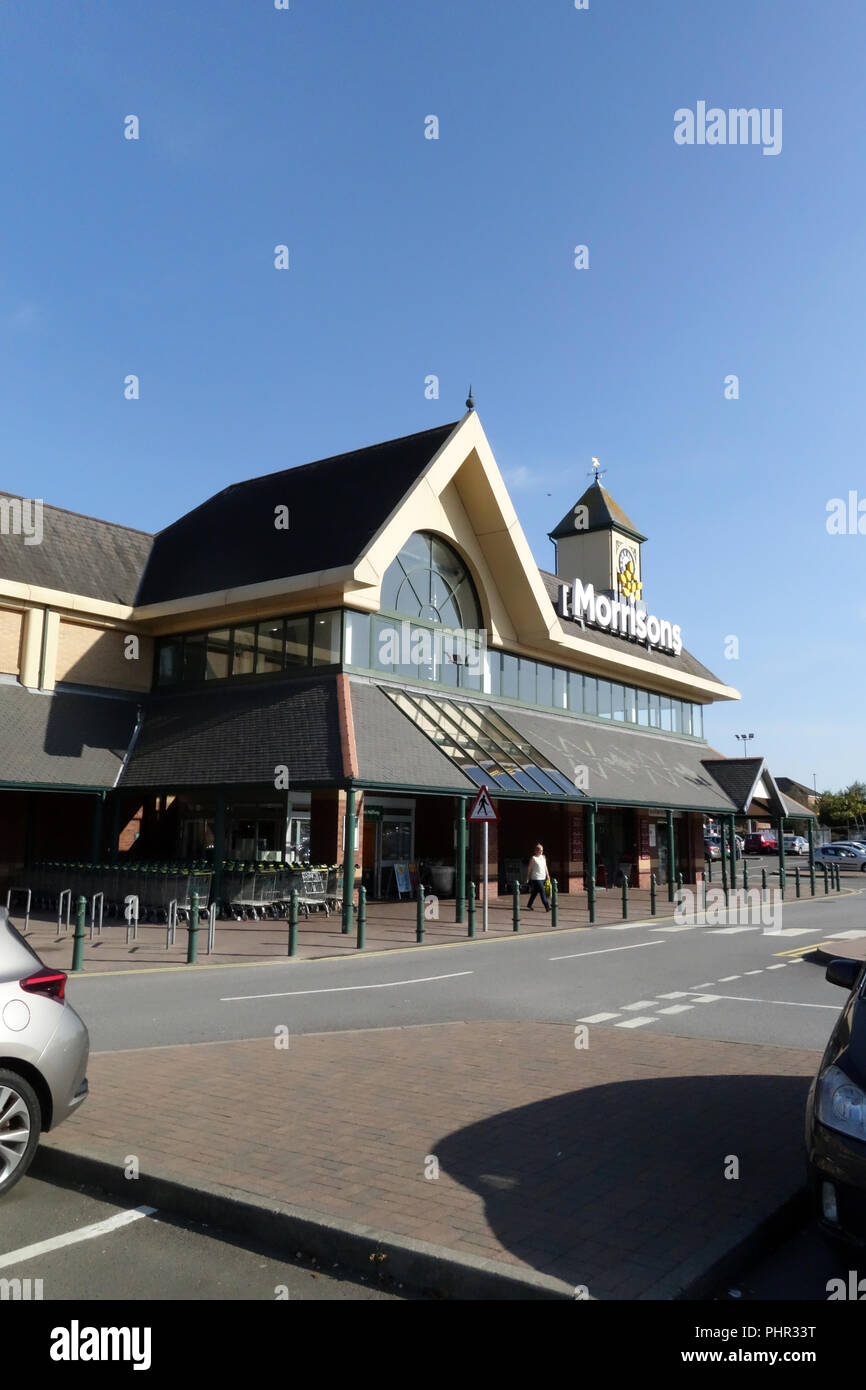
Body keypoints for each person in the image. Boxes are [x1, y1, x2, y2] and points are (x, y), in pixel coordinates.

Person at [526, 843, 550, 912]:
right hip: (536, 878)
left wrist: (548, 875)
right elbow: (529, 868)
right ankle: (547, 906)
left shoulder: (543, 857)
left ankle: (529, 905)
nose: (542, 852)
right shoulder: (533, 858)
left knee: (534, 892)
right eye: (540, 850)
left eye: (542, 850)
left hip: (543, 877)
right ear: (536, 851)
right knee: (542, 892)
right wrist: (527, 878)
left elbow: (545, 867)